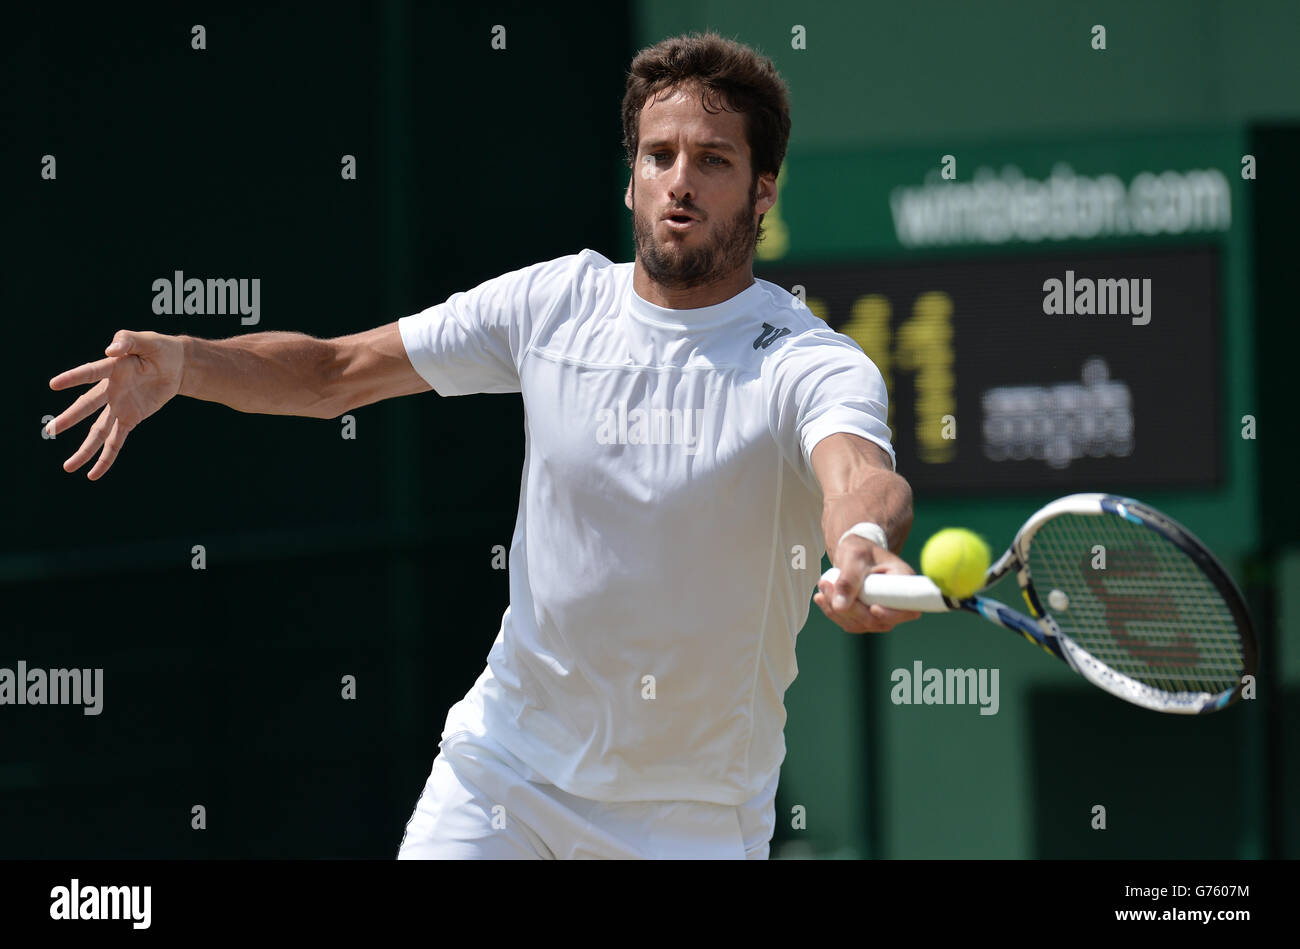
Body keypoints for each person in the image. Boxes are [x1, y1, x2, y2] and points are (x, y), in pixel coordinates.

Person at [46, 31, 921, 859]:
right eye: (659, 157)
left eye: (715, 160)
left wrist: (861, 545)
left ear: (764, 190)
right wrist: (186, 362)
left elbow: (857, 473)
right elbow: (336, 371)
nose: (679, 182)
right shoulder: (551, 305)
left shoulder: (807, 358)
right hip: (507, 769)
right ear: (631, 180)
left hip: (692, 815)